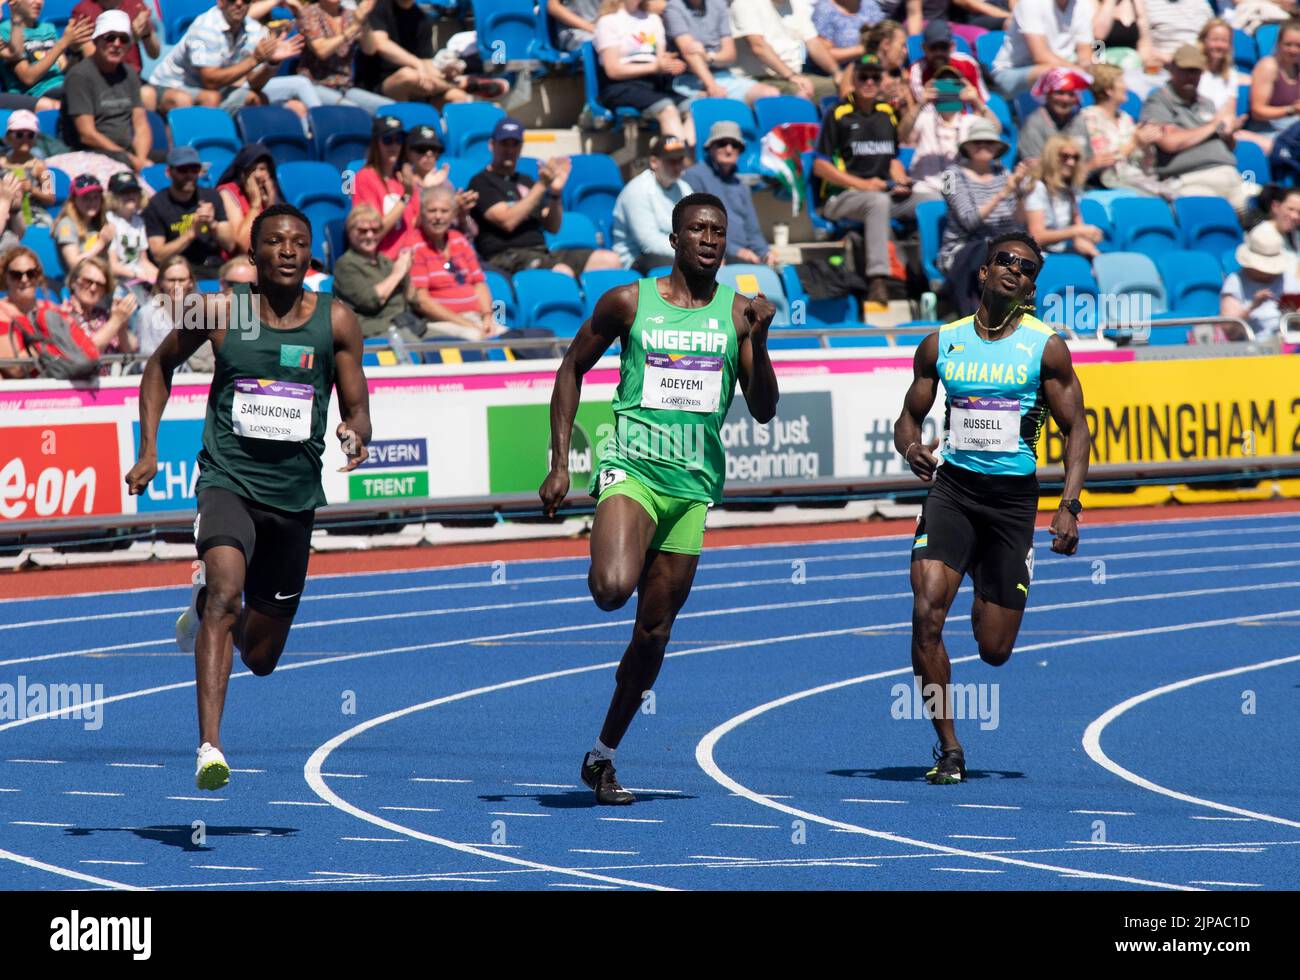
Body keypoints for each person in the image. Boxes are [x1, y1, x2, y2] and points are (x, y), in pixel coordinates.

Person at [539, 192, 779, 805]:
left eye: (718, 231)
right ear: (673, 240)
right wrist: (561, 463)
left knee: (652, 635)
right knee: (613, 588)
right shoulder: (629, 301)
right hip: (632, 468)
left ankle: (603, 756)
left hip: (691, 490)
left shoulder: (737, 314)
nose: (708, 239)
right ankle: (619, 537)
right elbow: (571, 369)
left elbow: (764, 408)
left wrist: (762, 338)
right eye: (697, 229)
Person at [125, 202, 372, 791]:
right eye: (276, 242)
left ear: (311, 255)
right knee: (227, 595)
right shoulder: (214, 310)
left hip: (293, 497)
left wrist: (354, 434)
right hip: (227, 479)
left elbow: (359, 408)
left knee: (260, 657)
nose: (288, 251)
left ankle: (208, 599)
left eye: (299, 242)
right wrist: (149, 448)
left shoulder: (338, 321)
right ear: (252, 255)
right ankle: (210, 746)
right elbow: (158, 366)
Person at [893, 230, 1089, 783]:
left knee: (995, 649)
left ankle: (990, 573)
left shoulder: (1045, 347)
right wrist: (912, 447)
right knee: (927, 613)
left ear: (1031, 286)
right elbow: (908, 416)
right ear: (982, 272)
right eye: (1006, 261)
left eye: (1028, 269)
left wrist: (1069, 505)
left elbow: (1077, 430)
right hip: (953, 492)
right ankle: (949, 746)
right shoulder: (943, 343)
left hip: (1010, 504)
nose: (1015, 271)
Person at [813, 55, 914, 303]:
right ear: (854, 80)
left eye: (875, 77)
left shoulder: (886, 113)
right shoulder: (837, 113)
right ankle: (879, 280)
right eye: (863, 76)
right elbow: (820, 165)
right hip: (842, 198)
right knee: (876, 202)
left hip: (882, 193)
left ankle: (931, 277)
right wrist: (864, 185)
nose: (869, 82)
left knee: (932, 199)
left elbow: (891, 158)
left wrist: (899, 177)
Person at [469, 117, 622, 277]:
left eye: (515, 144)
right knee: (561, 273)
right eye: (504, 143)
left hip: (542, 252)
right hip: (505, 256)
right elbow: (507, 221)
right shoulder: (481, 182)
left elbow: (553, 227)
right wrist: (542, 185)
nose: (510, 150)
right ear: (492, 145)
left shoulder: (526, 181)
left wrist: (555, 193)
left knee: (609, 260)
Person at [148, 0, 313, 117]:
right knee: (209, 98)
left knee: (255, 99)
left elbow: (254, 84)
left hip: (216, 90)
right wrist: (255, 59)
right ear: (221, 2)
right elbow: (209, 81)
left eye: (246, 0)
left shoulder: (254, 30)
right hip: (170, 85)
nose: (239, 3)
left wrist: (271, 63)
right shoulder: (204, 27)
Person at [1139, 43, 1253, 212]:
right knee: (1216, 216)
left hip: (1231, 177)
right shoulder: (1159, 100)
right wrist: (1213, 125)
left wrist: (1229, 134)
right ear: (1173, 69)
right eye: (1186, 70)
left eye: (1196, 71)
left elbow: (1227, 147)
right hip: (1192, 179)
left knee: (1269, 210)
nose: (1191, 76)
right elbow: (1169, 142)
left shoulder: (1206, 103)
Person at [937, 118, 1033, 314]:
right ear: (968, 147)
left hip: (1005, 249)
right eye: (977, 142)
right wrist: (1002, 194)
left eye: (989, 142)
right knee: (992, 254)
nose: (983, 146)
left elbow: (1021, 222)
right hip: (965, 249)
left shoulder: (1004, 174)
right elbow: (968, 221)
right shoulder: (950, 176)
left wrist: (1020, 192)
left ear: (997, 149)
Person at [355, 0, 500, 107]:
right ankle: (462, 83)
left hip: (417, 81)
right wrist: (416, 64)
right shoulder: (378, 7)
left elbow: (425, 61)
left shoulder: (422, 19)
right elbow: (381, 44)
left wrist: (445, 71)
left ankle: (431, 142)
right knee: (408, 75)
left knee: (457, 97)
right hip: (378, 84)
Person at [58, 10, 151, 174]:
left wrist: (141, 160)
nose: (116, 44)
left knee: (177, 165)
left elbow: (141, 124)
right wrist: (130, 159)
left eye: (123, 39)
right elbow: (87, 134)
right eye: (110, 38)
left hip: (127, 153)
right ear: (97, 40)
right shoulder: (80, 76)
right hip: (91, 152)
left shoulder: (129, 74)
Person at [408, 184, 504, 340]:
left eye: (444, 211)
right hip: (441, 322)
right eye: (432, 210)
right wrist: (465, 323)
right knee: (475, 338)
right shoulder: (416, 245)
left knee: (508, 338)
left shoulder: (458, 240)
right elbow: (422, 301)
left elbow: (479, 283)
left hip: (475, 318)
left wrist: (487, 317)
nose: (438, 216)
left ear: (453, 215)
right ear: (422, 214)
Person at [683, 122, 779, 267]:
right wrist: (735, 251)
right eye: (722, 143)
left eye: (735, 145)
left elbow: (752, 230)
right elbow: (696, 227)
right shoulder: (694, 177)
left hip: (744, 257)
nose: (729, 149)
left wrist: (766, 253)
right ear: (710, 148)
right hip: (712, 255)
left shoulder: (741, 185)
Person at [594, 0, 690, 141]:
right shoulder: (608, 22)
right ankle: (676, 158)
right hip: (621, 86)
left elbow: (660, 59)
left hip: (654, 84)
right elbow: (613, 70)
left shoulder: (653, 20)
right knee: (667, 109)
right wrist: (654, 67)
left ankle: (688, 158)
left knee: (694, 108)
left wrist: (669, 64)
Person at [902, 65, 998, 204]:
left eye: (954, 83)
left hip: (962, 193)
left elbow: (995, 130)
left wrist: (977, 102)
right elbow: (903, 135)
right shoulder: (923, 118)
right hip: (926, 191)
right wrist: (920, 103)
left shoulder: (970, 121)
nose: (948, 88)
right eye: (942, 83)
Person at [664, 0, 781, 108]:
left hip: (723, 75)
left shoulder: (718, 4)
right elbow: (690, 53)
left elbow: (730, 56)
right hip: (688, 80)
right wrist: (712, 86)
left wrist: (707, 57)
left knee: (770, 95)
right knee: (717, 102)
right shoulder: (674, 8)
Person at [1079, 62, 1173, 196]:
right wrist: (1134, 143)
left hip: (1134, 177)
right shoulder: (1089, 118)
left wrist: (1146, 143)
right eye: (1121, 81)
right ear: (1108, 89)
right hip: (1107, 181)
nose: (1126, 86)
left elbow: (1143, 164)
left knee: (1173, 196)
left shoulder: (1125, 119)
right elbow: (1105, 160)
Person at [143, 146, 235, 281]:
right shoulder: (156, 205)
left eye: (194, 169)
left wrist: (212, 223)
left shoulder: (212, 197)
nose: (189, 175)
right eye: (182, 170)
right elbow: (159, 255)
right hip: (180, 271)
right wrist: (191, 233)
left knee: (243, 286)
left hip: (214, 266)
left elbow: (230, 245)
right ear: (169, 172)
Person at [332, 203, 418, 338]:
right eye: (363, 231)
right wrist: (397, 274)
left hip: (406, 322)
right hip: (375, 329)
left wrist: (408, 272)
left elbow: (411, 298)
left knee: (452, 342)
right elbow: (369, 301)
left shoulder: (385, 262)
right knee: (420, 347)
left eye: (375, 230)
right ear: (350, 232)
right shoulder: (345, 265)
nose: (370, 235)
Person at [730, 0, 842, 103]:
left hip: (795, 76)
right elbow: (759, 46)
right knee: (800, 94)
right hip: (760, 79)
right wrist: (791, 76)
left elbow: (813, 43)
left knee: (846, 87)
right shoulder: (745, 3)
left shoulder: (797, 4)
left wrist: (837, 73)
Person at [613, 134, 692, 272]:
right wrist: (689, 252)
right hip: (635, 260)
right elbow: (649, 243)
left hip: (675, 252)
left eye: (680, 160)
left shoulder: (684, 188)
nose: (678, 166)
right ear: (654, 162)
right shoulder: (637, 191)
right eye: (671, 161)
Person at [295, 0, 390, 115]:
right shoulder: (308, 13)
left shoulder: (350, 15)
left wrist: (364, 21)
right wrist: (353, 28)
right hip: (315, 86)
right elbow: (322, 51)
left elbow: (370, 50)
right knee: (354, 112)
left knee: (392, 108)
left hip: (345, 88)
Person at [990, 0, 1094, 99]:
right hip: (1011, 73)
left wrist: (1087, 69)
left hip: (1062, 67)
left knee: (1103, 75)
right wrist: (1078, 71)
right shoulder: (1031, 3)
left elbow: (1084, 52)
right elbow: (1040, 56)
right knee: (1056, 73)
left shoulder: (1082, 5)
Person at [1, 1, 94, 112]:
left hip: (62, 87)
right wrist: (63, 43)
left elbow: (63, 70)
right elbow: (28, 77)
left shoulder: (48, 28)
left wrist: (75, 50)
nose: (38, 2)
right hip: (37, 93)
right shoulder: (6, 30)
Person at [69, 0, 162, 110]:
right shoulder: (83, 10)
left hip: (132, 78)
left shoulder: (136, 5)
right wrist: (131, 38)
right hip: (103, 82)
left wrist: (146, 33)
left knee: (178, 98)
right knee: (146, 95)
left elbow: (154, 54)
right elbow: (95, 60)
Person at [1025, 134, 1103, 256]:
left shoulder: (1070, 190)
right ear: (1051, 157)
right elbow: (1036, 237)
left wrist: (1091, 243)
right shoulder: (1036, 187)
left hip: (1060, 252)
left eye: (1075, 157)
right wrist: (1074, 232)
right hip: (1035, 255)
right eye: (1065, 157)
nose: (1071, 162)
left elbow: (1078, 227)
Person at [135, 255, 213, 372]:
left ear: (191, 282)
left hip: (197, 379)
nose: (176, 286)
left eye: (181, 280)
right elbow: (146, 358)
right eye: (171, 280)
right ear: (161, 282)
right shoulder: (147, 313)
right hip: (161, 379)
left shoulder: (202, 311)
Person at [1220, 221, 1295, 340]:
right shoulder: (1235, 282)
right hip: (1252, 348)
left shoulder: (1286, 279)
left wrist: (1294, 313)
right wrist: (1253, 306)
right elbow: (1230, 332)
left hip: (1289, 343)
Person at [62, 253, 137, 361]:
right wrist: (116, 320)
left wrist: (122, 326)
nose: (93, 288)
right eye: (87, 281)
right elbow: (87, 351)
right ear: (74, 281)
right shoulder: (62, 314)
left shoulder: (104, 316)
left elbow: (129, 352)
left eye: (100, 284)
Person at [1017, 67, 1094, 166]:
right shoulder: (1034, 124)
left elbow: (1088, 158)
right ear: (1047, 95)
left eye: (1071, 94)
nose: (1065, 99)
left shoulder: (1078, 121)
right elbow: (1033, 166)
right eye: (1060, 93)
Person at [216, 144, 284, 256]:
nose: (257, 175)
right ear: (242, 173)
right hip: (241, 264)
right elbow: (245, 246)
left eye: (262, 169)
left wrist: (270, 205)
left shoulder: (270, 193)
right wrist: (255, 204)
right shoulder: (227, 193)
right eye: (252, 169)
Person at [0, 246, 57, 378]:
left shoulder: (52, 308)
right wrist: (52, 339)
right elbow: (14, 368)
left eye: (30, 273)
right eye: (16, 275)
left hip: (57, 388)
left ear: (38, 276)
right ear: (6, 278)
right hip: (19, 394)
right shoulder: (1, 313)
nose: (24, 280)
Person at [908, 19, 988, 104]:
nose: (939, 53)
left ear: (952, 47)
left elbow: (982, 105)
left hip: (966, 116)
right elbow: (922, 111)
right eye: (933, 48)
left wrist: (975, 100)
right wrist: (924, 100)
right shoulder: (917, 71)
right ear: (924, 48)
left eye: (943, 47)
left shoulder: (968, 64)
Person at [0, 110, 54, 229]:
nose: (25, 139)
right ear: (9, 137)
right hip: (3, 210)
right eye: (19, 134)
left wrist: (32, 189)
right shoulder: (1, 163)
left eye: (30, 135)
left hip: (33, 214)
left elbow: (51, 198)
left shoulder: (41, 166)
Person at [54, 173, 112, 273]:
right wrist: (101, 242)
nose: (92, 202)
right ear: (73, 200)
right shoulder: (66, 225)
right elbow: (74, 264)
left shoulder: (99, 223)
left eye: (96, 197)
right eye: (86, 198)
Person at [1250, 19, 1300, 134]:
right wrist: (1291, 110)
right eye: (1288, 44)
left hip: (1292, 125)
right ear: (1278, 44)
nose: (1293, 50)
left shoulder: (1297, 67)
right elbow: (1257, 111)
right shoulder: (1268, 66)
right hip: (1268, 128)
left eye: (1298, 45)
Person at [813, 0, 886, 77]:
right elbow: (826, 54)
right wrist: (863, 49)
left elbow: (882, 36)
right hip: (835, 74)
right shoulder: (824, 9)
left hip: (869, 67)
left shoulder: (870, 5)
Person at [1091, 0, 1161, 71]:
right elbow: (1098, 35)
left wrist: (1142, 68)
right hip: (1103, 69)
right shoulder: (1093, 3)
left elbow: (1144, 43)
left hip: (1132, 69)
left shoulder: (1136, 3)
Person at [1143, 0, 1212, 66]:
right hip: (1164, 65)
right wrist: (1173, 60)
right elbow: (1143, 46)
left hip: (1198, 66)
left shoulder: (1201, 5)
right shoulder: (1148, 4)